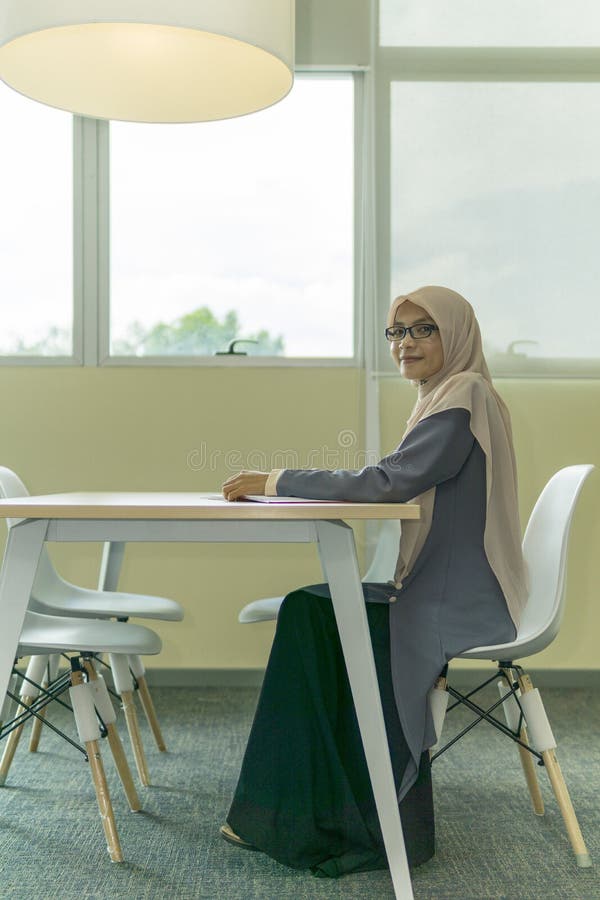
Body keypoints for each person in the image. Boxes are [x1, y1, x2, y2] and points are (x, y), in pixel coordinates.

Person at [219, 285, 528, 878]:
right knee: (312, 609)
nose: (405, 342)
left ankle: (317, 817)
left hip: (452, 598)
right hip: (438, 586)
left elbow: (386, 483)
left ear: (457, 333)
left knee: (312, 613)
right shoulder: (447, 394)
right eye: (397, 331)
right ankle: (309, 811)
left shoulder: (463, 394)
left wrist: (276, 479)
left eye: (423, 329)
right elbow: (393, 480)